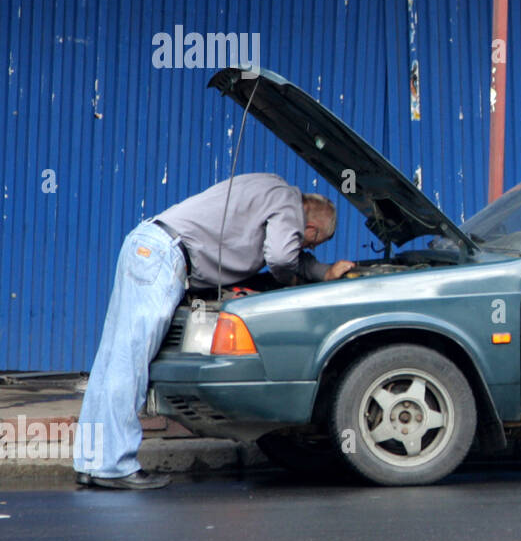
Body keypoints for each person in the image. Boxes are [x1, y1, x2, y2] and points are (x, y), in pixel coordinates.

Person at [72, 173, 356, 489]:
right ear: (311, 230)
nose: (304, 247)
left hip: (147, 247)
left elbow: (286, 253)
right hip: (163, 258)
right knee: (130, 364)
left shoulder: (269, 190)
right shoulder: (289, 201)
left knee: (113, 360)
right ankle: (114, 466)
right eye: (309, 243)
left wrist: (321, 272)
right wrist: (292, 280)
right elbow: (280, 258)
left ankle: (92, 462)